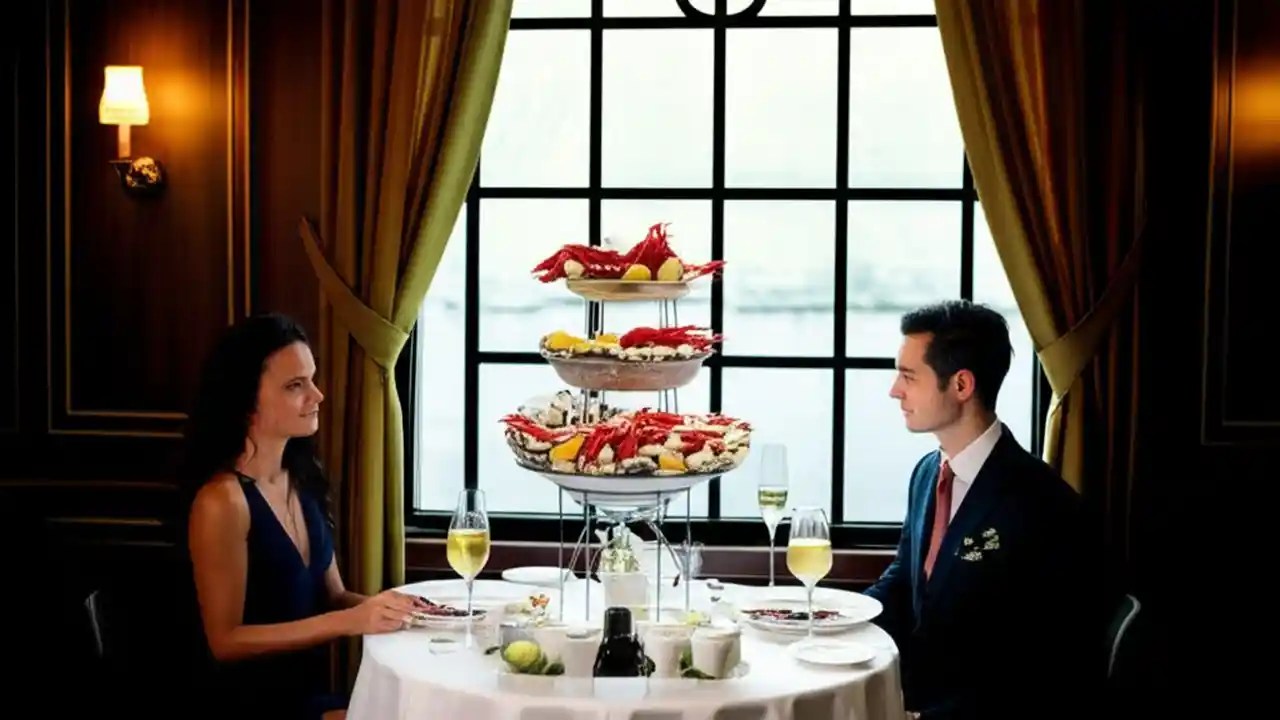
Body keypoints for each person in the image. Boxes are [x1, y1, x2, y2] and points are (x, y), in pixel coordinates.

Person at [180, 313, 427, 719]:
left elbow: (334, 598)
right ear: (245, 402)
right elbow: (224, 641)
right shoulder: (222, 502)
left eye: (311, 379)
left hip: (311, 698)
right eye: (296, 386)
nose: (317, 395)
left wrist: (398, 614)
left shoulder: (301, 478)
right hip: (250, 707)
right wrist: (350, 621)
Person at [865, 300, 1099, 719]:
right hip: (911, 697)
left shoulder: (1042, 505)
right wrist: (828, 625)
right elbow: (902, 584)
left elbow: (1044, 664)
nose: (894, 390)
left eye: (908, 376)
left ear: (961, 386)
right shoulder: (926, 473)